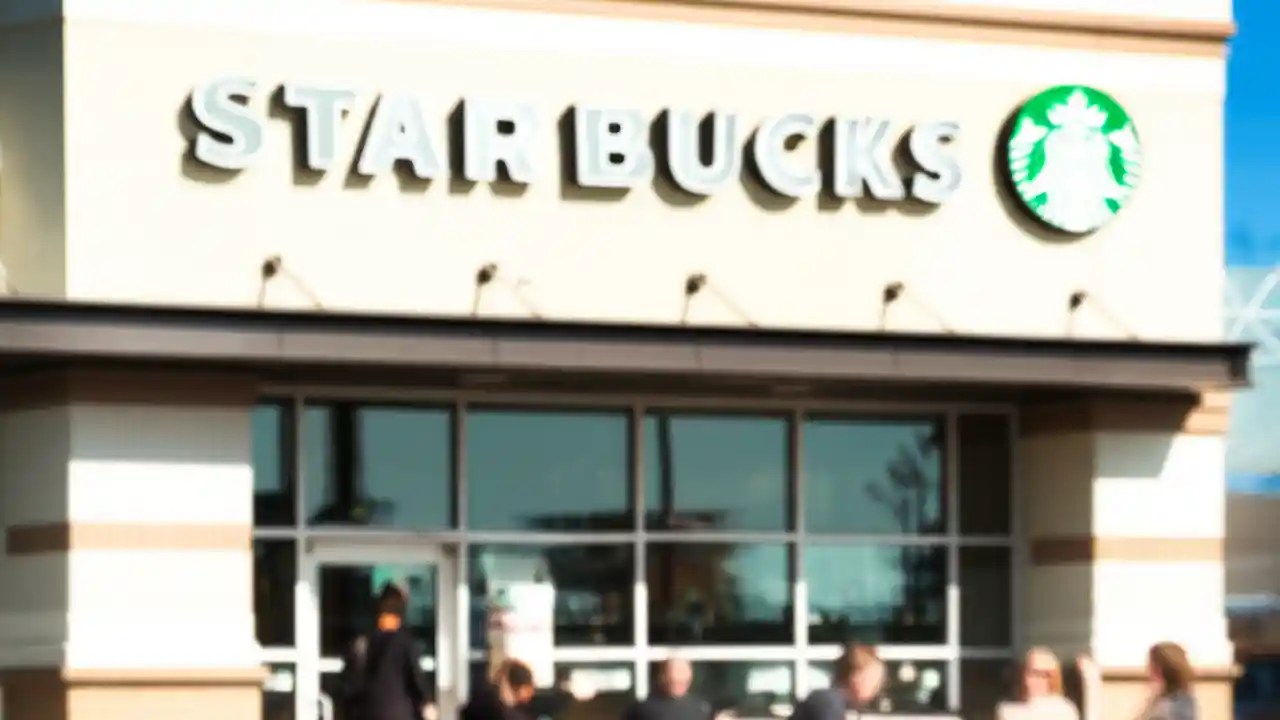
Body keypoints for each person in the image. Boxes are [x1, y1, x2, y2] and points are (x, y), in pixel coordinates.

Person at [343, 581, 433, 720]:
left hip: (368, 711)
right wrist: (427, 701)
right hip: (399, 712)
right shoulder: (404, 641)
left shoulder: (363, 641)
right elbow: (415, 676)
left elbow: (351, 682)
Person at [791, 644, 890, 720]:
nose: (877, 688)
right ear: (856, 677)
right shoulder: (829, 701)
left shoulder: (835, 702)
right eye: (875, 680)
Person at [996, 647, 1080, 720]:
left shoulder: (1064, 710)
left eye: (1043, 675)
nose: (1034, 679)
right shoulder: (1007, 710)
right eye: (1031, 673)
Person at [623, 658, 711, 720]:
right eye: (675, 681)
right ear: (663, 678)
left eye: (684, 682)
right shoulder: (641, 710)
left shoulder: (702, 708)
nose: (680, 686)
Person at [1138, 643, 1198, 720]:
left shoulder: (1163, 710)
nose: (1147, 672)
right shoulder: (1187, 699)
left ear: (1158, 670)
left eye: (1150, 666)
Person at [463, 659, 538, 720]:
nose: (530, 696)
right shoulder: (496, 705)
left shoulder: (486, 696)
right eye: (529, 690)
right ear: (522, 687)